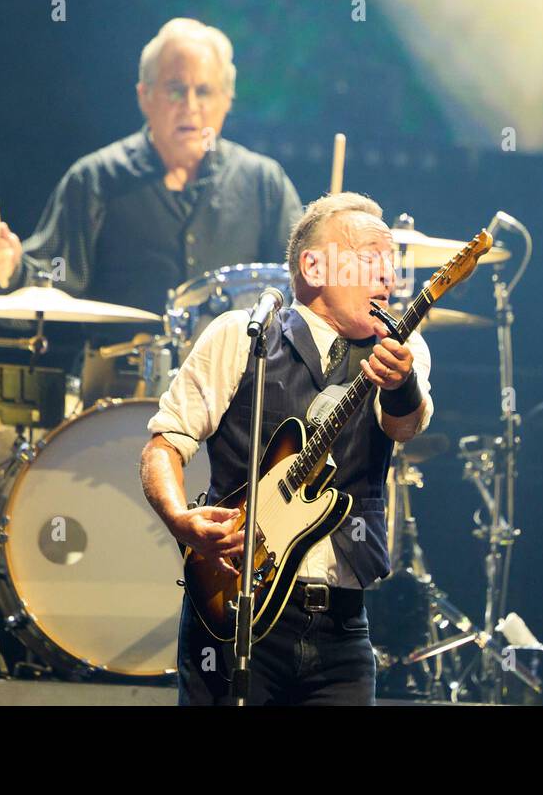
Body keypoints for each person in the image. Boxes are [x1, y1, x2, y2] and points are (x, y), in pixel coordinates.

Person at [141, 192, 434, 705]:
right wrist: (176, 518)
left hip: (344, 626)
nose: (390, 276)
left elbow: (404, 426)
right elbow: (165, 444)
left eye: (392, 262)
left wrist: (402, 381)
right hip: (236, 613)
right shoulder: (243, 336)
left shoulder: (402, 351)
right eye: (370, 258)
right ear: (313, 265)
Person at [0, 18, 303, 320]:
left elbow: (299, 292)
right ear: (144, 96)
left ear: (227, 100)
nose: (190, 106)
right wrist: (8, 269)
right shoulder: (95, 180)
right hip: (119, 380)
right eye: (176, 90)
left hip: (241, 384)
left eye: (203, 92)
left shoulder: (265, 184)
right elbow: (51, 280)